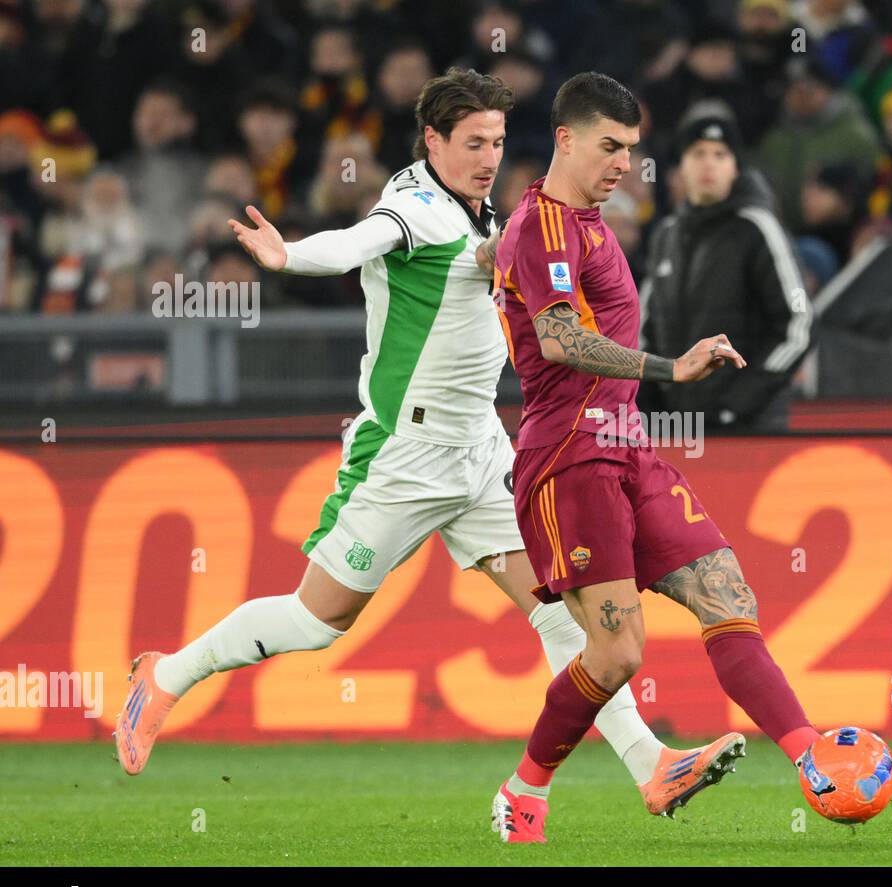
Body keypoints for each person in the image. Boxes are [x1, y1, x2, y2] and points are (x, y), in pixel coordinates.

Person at [111, 67, 738, 822]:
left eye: (499, 142)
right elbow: (358, 241)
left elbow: (485, 263)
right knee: (318, 620)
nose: (488, 157)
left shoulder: (481, 215)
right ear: (432, 141)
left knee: (557, 613)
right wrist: (291, 256)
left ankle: (651, 767)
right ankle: (168, 674)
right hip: (403, 456)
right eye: (472, 142)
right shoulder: (411, 206)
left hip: (482, 454)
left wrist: (499, 257)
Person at [486, 72, 892, 844]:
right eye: (610, 146)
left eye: (633, 150)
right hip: (569, 458)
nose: (626, 164)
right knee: (617, 653)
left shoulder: (587, 225)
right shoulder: (546, 227)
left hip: (628, 448)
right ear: (565, 139)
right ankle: (523, 793)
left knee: (727, 594)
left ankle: (812, 757)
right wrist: (670, 368)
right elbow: (557, 338)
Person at [641, 115, 813, 431]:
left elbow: (799, 323)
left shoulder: (758, 228)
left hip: (751, 429)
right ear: (680, 169)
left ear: (735, 168)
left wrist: (736, 406)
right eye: (698, 154)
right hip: (678, 426)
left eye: (720, 155)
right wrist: (648, 400)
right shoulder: (666, 235)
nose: (709, 164)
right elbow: (645, 328)